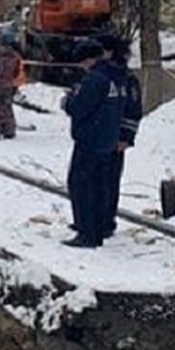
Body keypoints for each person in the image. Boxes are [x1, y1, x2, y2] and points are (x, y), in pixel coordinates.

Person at [61, 41, 122, 248]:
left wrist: (68, 101)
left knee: (80, 184)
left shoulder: (95, 80)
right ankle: (98, 227)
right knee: (100, 185)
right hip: (107, 139)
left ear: (88, 59)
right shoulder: (115, 77)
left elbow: (79, 108)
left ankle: (86, 231)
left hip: (90, 139)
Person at [98, 34, 144, 245]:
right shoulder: (100, 74)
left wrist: (126, 137)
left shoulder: (125, 79)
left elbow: (133, 110)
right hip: (97, 136)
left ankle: (106, 220)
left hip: (115, 138)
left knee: (109, 180)